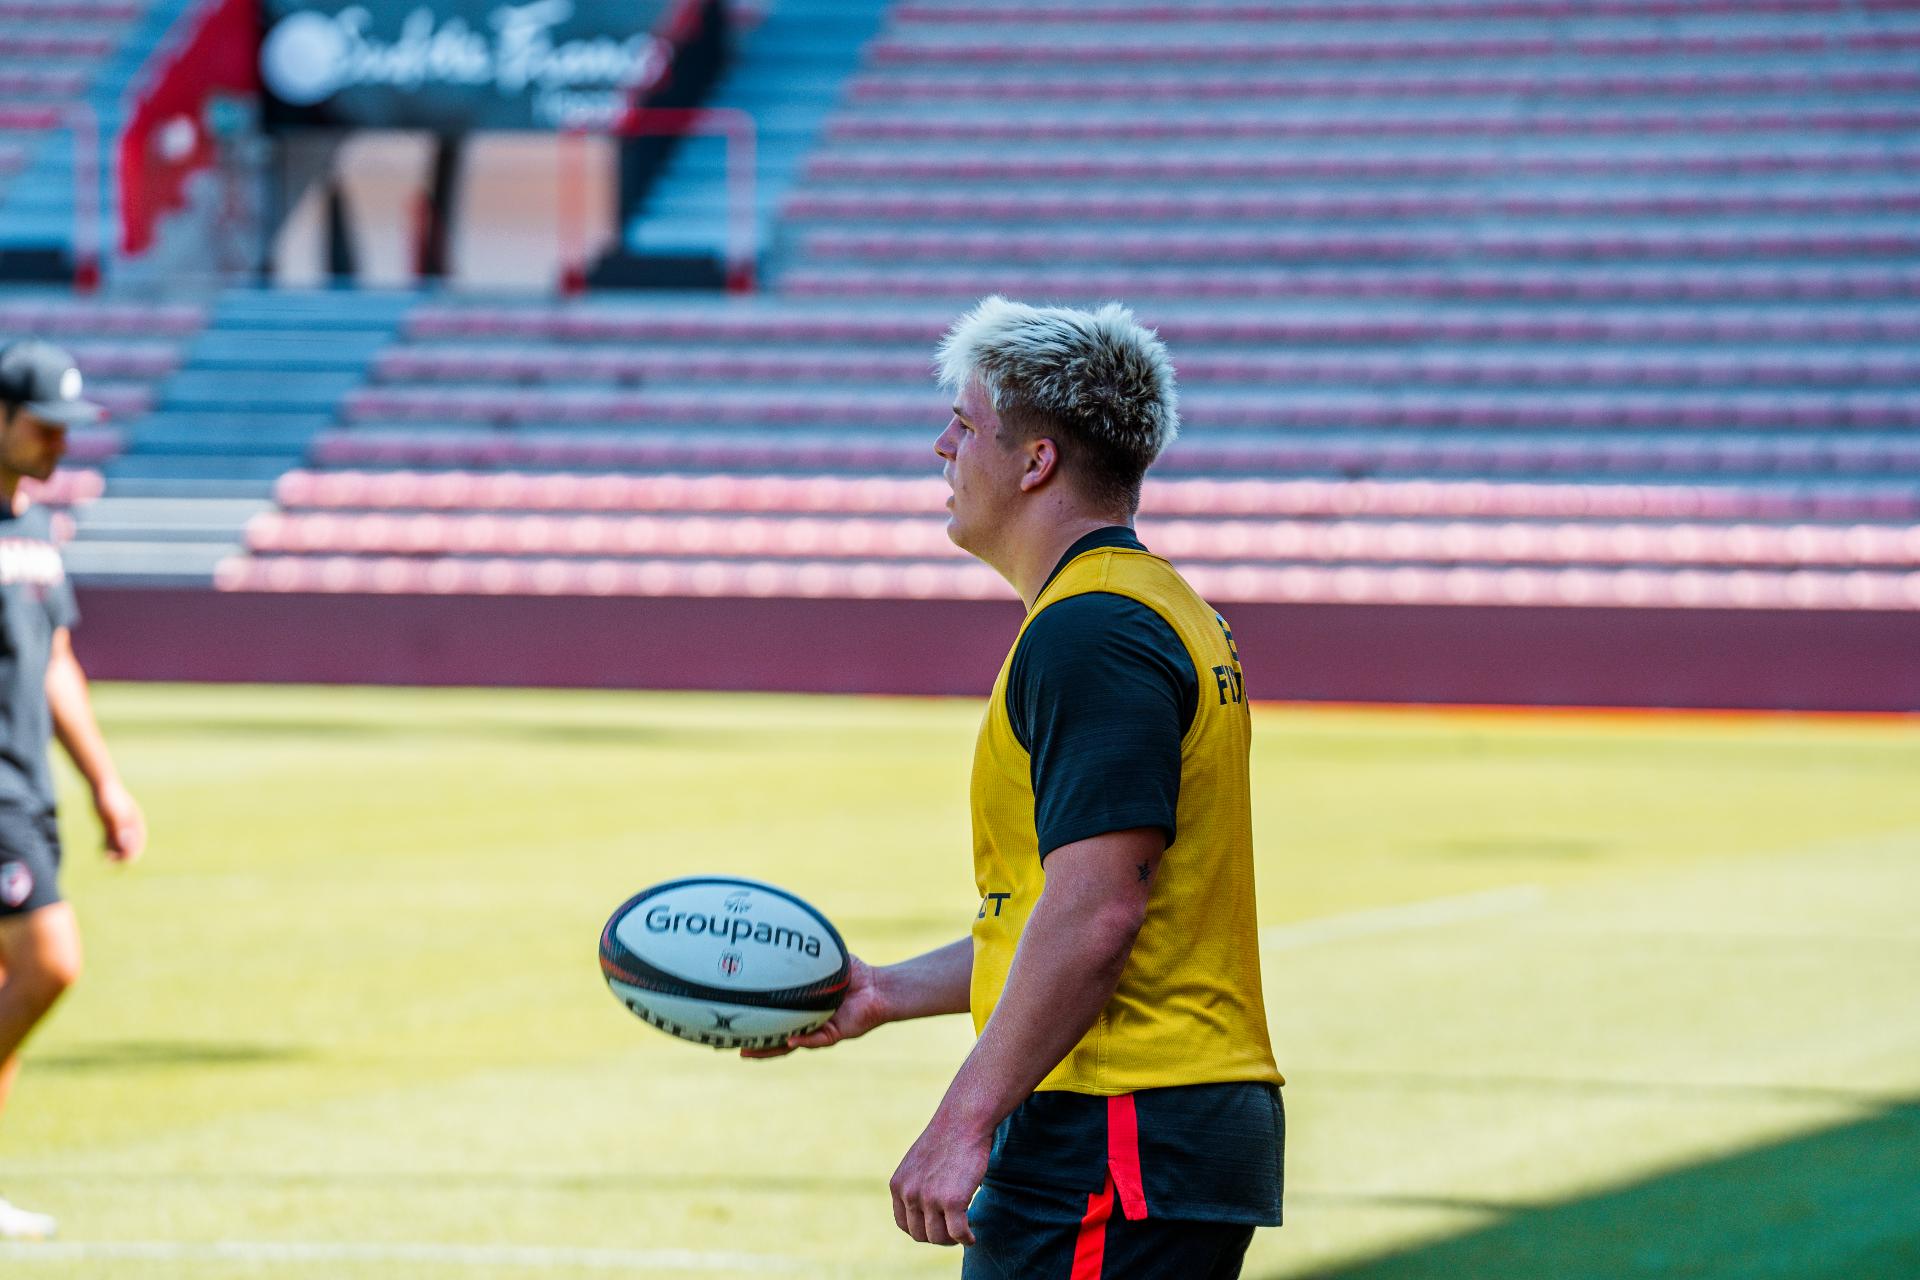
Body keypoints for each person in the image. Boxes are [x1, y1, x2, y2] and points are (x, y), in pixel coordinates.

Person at [748, 298, 1283, 1277]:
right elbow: (1056, 908)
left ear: (1035, 461)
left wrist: (963, 1119)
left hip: (1115, 1128)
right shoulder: (1143, 607)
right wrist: (883, 990)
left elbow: (1098, 910)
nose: (941, 445)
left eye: (965, 421)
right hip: (1142, 1125)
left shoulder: (1093, 632)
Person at [0, 340, 146, 1241]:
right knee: (51, 963)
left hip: (31, 787)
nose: (59, 446)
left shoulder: (36, 538)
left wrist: (106, 784)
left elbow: (56, 665)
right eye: (44, 428)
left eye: (67, 431)